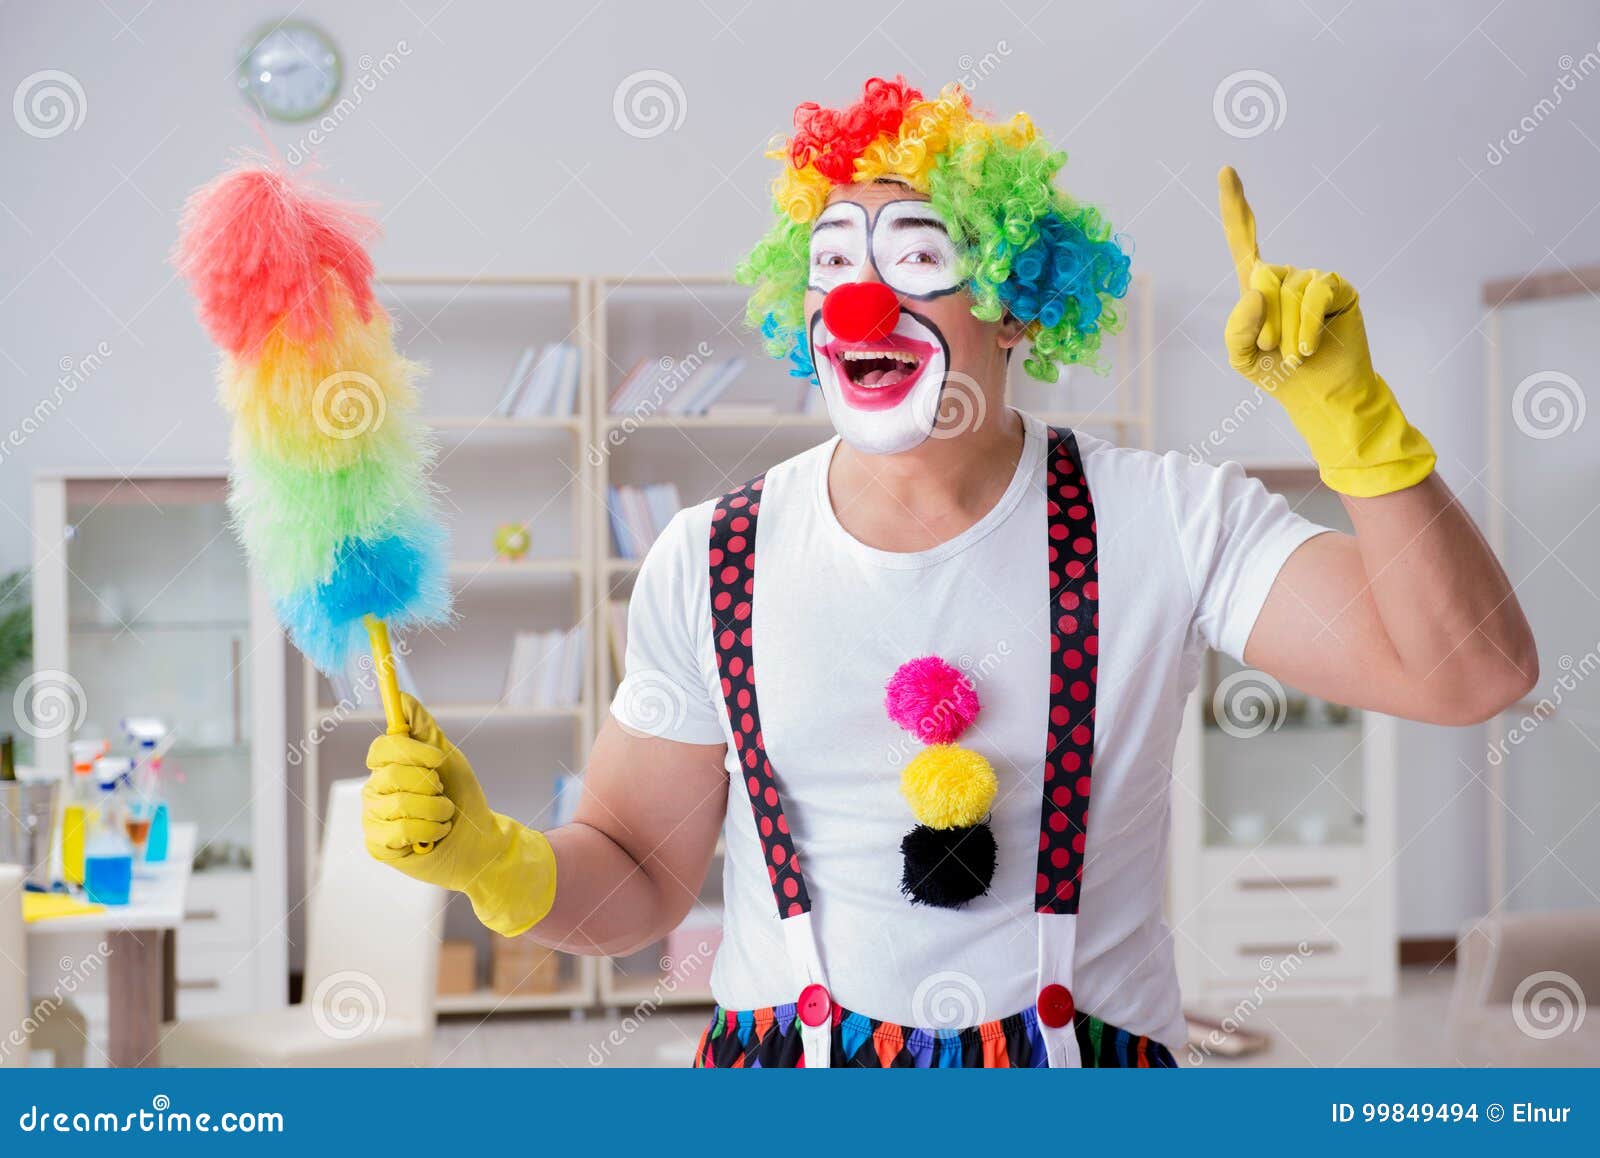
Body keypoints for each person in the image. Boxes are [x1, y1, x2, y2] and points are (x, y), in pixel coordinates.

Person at [360, 77, 1536, 1068]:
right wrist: (493, 860)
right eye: (833, 260)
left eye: (919, 258)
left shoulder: (1168, 517)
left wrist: (1354, 424)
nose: (861, 298)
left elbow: (1469, 674)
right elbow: (636, 881)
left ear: (1017, 305)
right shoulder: (709, 557)